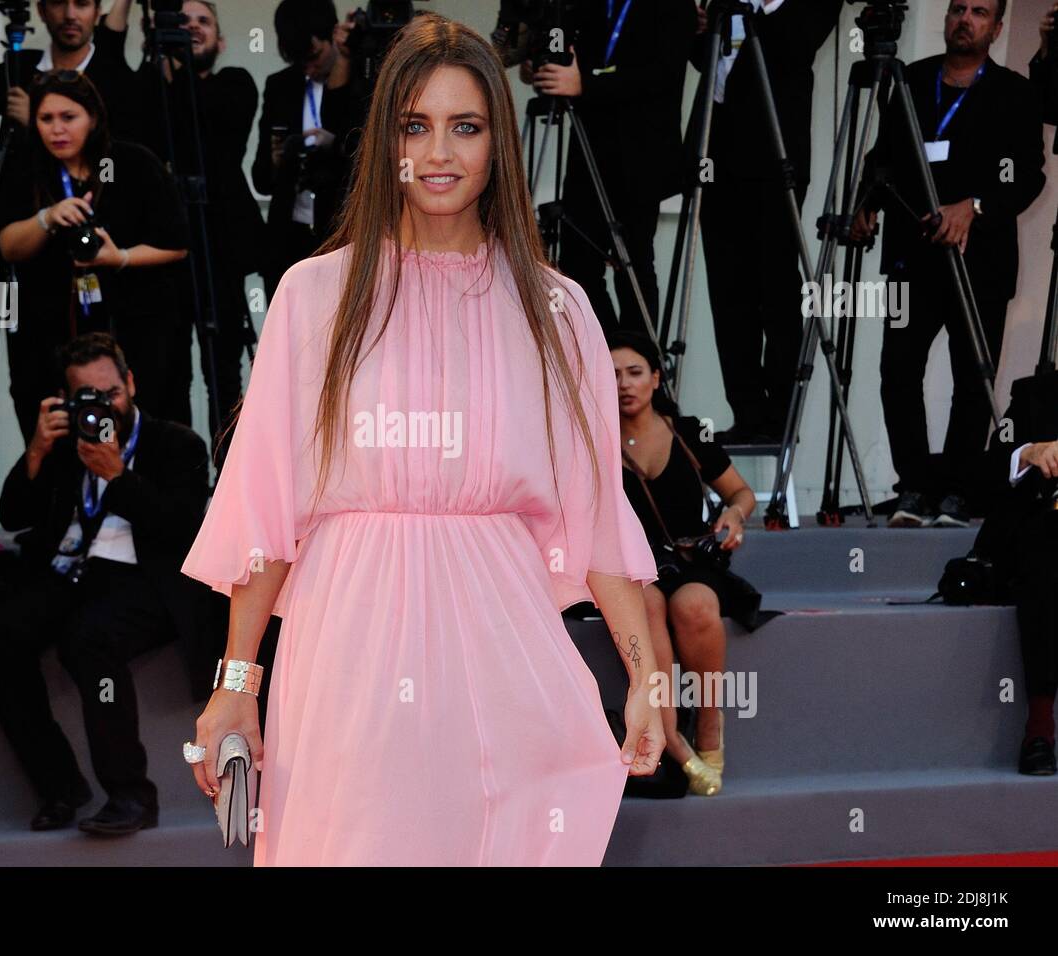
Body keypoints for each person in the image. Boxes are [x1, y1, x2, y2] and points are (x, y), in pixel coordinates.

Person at [182, 13, 664, 867]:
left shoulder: (558, 311)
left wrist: (645, 677)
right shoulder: (314, 296)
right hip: (349, 650)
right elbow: (265, 510)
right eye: (416, 126)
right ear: (386, 143)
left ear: (498, 145)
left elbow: (599, 517)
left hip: (504, 640)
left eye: (466, 127)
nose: (439, 152)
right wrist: (234, 686)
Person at [0, 333, 212, 835]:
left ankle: (131, 796)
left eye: (112, 394)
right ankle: (60, 785)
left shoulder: (176, 443)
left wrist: (119, 478)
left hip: (144, 579)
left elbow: (183, 527)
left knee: (88, 639)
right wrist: (36, 450)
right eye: (89, 397)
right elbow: (12, 514)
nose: (104, 408)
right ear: (68, 397)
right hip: (72, 571)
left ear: (130, 383)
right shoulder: (65, 442)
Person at [855, 0, 1045, 528]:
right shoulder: (911, 79)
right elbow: (884, 156)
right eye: (959, 8)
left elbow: (1027, 175)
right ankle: (914, 486)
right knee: (897, 370)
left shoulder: (1014, 93)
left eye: (980, 12)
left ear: (998, 28)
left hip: (979, 261)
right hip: (909, 256)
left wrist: (977, 206)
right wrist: (865, 202)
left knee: (972, 375)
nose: (965, 18)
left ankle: (960, 490)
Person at [0, 70, 190, 442]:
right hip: (48, 332)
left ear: (93, 117)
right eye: (46, 119)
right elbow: (5, 246)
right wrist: (46, 218)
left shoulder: (128, 162)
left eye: (69, 117)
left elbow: (176, 244)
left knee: (138, 432)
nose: (57, 130)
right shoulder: (26, 166)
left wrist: (121, 258)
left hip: (131, 326)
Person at [606, 328, 762, 797]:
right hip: (632, 566)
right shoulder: (592, 438)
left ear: (656, 378)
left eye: (635, 372)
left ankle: (710, 721)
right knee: (647, 607)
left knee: (695, 606)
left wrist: (734, 515)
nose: (624, 384)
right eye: (612, 375)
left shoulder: (688, 431)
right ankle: (672, 738)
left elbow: (741, 492)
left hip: (690, 557)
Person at [694, 0, 844, 445]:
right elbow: (706, 60)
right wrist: (704, 29)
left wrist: (756, 7)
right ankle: (746, 410)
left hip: (775, 158)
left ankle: (779, 415)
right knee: (728, 292)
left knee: (775, 288)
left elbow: (793, 44)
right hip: (717, 156)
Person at [126, 0, 267, 451]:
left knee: (222, 373)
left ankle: (229, 483)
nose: (190, 28)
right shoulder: (152, 89)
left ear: (221, 40)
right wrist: (155, 61)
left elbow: (213, 123)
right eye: (181, 22)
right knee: (166, 375)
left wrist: (177, 64)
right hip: (163, 251)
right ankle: (180, 489)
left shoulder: (235, 84)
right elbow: (133, 130)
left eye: (202, 22)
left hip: (219, 249)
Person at [521, 0, 696, 338]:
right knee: (576, 264)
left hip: (641, 156)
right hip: (588, 148)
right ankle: (605, 361)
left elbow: (663, 74)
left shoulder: (675, 6)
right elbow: (569, 45)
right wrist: (543, 63)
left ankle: (638, 367)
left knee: (633, 265)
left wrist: (586, 83)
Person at [251, 0, 363, 301]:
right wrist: (278, 160)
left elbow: (359, 152)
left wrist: (333, 144)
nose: (308, 68)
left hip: (341, 233)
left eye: (314, 56)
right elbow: (261, 178)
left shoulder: (358, 79)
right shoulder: (280, 86)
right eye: (299, 61)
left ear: (333, 35)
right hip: (287, 238)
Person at [977, 371, 1058, 775]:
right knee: (1043, 549)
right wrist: (1030, 452)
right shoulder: (1033, 393)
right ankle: (1040, 727)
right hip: (1041, 537)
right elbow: (990, 466)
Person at [0, 0, 139, 139]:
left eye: (81, 4)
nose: (70, 15)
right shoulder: (22, 67)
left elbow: (111, 159)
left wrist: (35, 121)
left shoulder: (115, 78)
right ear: (42, 11)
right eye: (58, 3)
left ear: (96, 13)